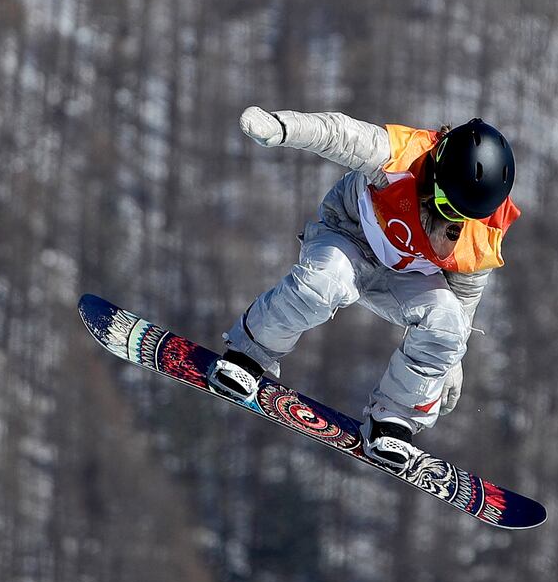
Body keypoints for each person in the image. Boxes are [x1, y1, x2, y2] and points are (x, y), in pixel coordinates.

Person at [209, 106, 519, 471]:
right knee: (321, 286)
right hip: (350, 237)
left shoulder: (482, 228)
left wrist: (451, 358)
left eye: (462, 218)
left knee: (448, 326)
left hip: (406, 276)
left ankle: (394, 418)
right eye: (444, 207)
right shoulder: (400, 155)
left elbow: (465, 293)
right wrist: (280, 127)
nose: (451, 222)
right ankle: (249, 354)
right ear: (435, 175)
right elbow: (338, 134)